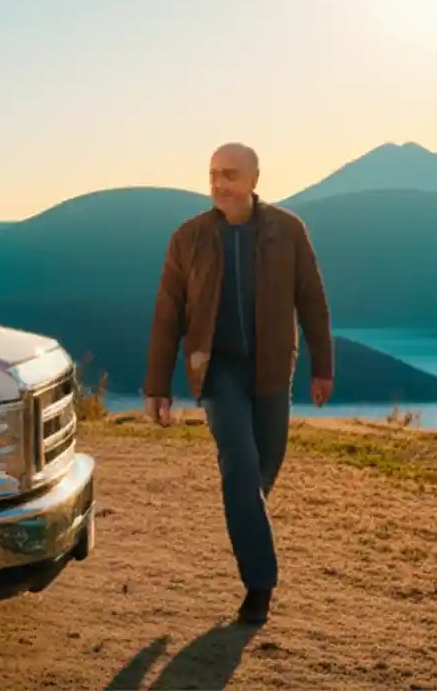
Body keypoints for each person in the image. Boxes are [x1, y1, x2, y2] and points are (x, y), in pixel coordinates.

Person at [142, 142, 335, 625]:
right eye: (212, 174)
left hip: (272, 367)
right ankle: (259, 585)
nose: (219, 183)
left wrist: (322, 366)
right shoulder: (188, 238)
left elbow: (311, 299)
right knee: (240, 463)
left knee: (263, 467)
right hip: (216, 370)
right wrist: (156, 386)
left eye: (229, 174)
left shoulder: (288, 231)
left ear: (253, 178)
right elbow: (168, 314)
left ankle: (244, 514)